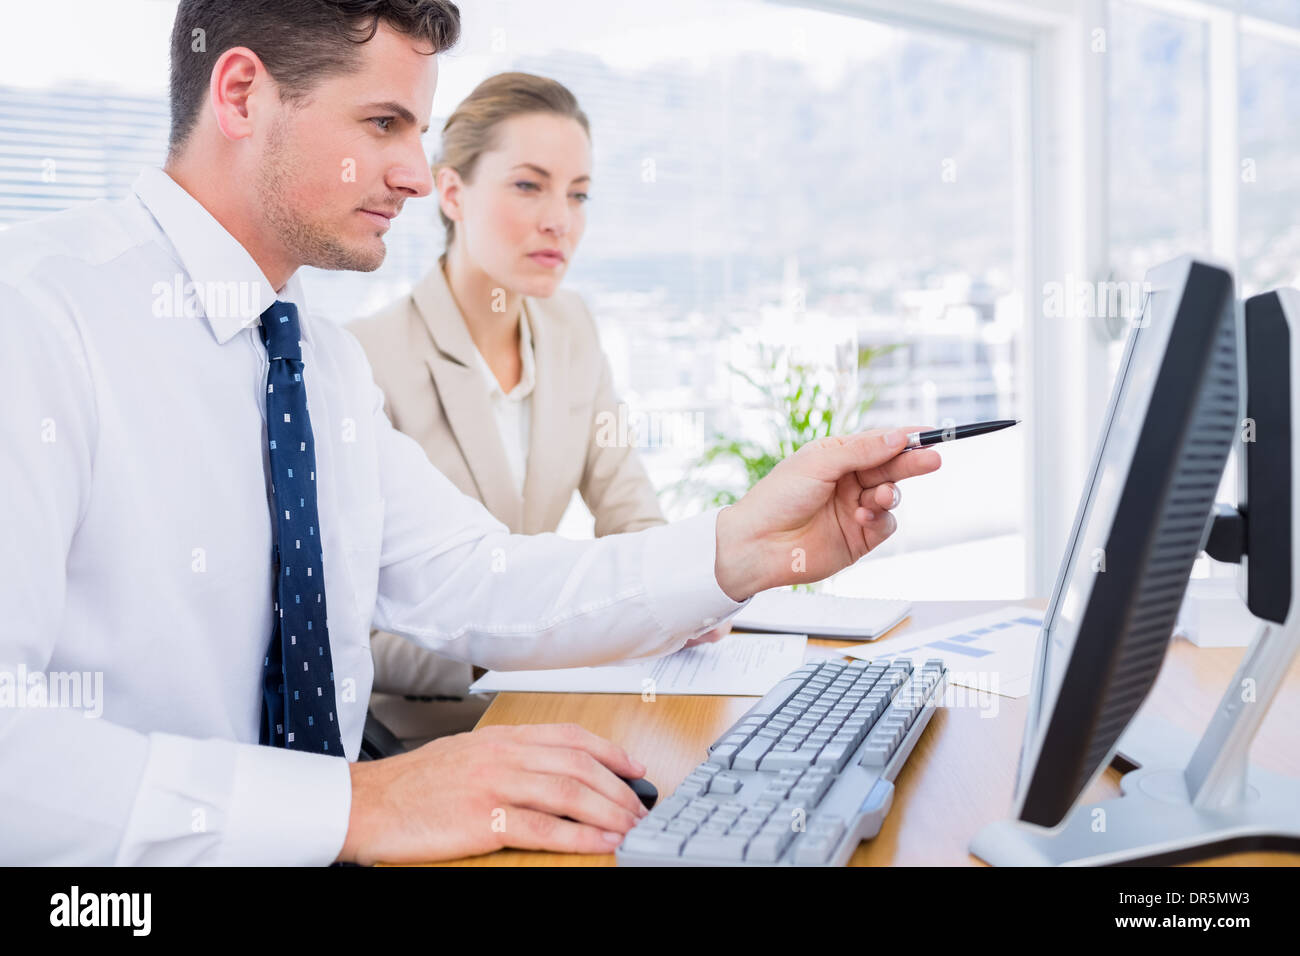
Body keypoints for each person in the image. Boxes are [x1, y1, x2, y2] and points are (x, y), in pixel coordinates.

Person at [0, 0, 939, 866]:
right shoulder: (37, 318)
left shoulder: (316, 362)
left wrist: (746, 544)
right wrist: (358, 805)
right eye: (383, 124)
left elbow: (477, 581)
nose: (415, 172)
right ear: (242, 93)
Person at [349, 72, 724, 745]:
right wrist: (529, 640)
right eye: (529, 185)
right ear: (453, 192)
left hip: (567, 710)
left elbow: (630, 514)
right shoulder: (365, 361)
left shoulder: (570, 327)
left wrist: (681, 597)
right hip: (436, 737)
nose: (561, 219)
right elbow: (353, 636)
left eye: (578, 195)